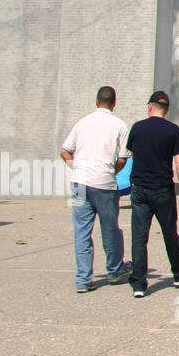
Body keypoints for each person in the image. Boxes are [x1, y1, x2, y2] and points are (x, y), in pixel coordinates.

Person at [59, 86, 131, 292]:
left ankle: (83, 279)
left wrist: (77, 166)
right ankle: (114, 270)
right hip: (104, 184)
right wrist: (111, 171)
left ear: (96, 101)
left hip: (79, 182)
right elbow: (123, 158)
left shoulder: (82, 122)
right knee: (110, 228)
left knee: (82, 230)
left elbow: (64, 151)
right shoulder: (119, 125)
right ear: (114, 103)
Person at [126, 91, 179, 297]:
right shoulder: (173, 130)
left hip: (139, 189)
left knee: (139, 237)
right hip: (162, 189)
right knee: (169, 233)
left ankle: (139, 284)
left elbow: (132, 154)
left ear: (150, 107)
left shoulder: (137, 128)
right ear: (166, 109)